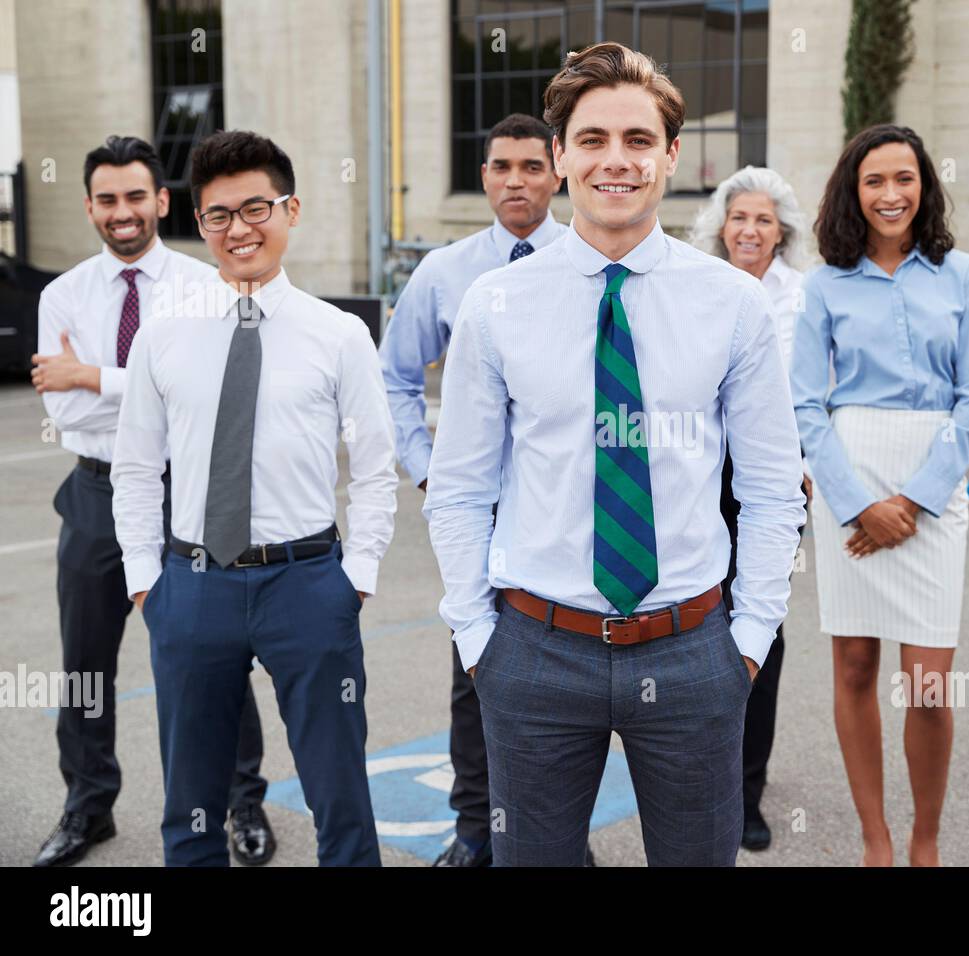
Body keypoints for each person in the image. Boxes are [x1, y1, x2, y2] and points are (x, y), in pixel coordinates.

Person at [425, 42, 806, 867]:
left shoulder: (734, 306)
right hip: (532, 651)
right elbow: (457, 489)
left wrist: (749, 639)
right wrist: (477, 640)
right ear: (560, 156)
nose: (616, 161)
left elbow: (775, 490)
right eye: (592, 139)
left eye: (638, 140)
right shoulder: (495, 306)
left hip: (694, 647)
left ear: (673, 155)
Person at [112, 130, 398, 866]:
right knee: (193, 806)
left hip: (306, 585)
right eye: (218, 215)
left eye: (256, 208)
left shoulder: (338, 335)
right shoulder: (164, 335)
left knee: (340, 798)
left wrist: (356, 577)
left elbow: (372, 466)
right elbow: (137, 466)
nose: (239, 229)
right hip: (192, 587)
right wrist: (146, 581)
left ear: (290, 210)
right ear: (200, 223)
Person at [29, 135, 275, 867]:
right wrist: (121, 383)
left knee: (215, 653)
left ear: (162, 201)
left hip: (190, 493)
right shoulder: (62, 295)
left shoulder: (205, 288)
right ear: (90, 208)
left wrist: (91, 375)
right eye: (107, 199)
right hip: (97, 491)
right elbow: (68, 414)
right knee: (85, 663)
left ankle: (243, 803)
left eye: (136, 196)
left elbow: (198, 406)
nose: (123, 212)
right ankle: (87, 806)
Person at [789, 124, 969, 867]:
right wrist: (855, 502)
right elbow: (806, 405)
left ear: (924, 187)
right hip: (851, 473)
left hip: (931, 483)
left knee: (931, 687)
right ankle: (876, 838)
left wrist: (915, 501)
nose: (890, 195)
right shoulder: (824, 283)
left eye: (904, 179)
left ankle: (925, 838)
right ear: (854, 190)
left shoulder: (960, 274)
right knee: (853, 666)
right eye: (874, 181)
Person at [377, 113, 573, 867]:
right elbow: (394, 376)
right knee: (477, 667)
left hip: (563, 504)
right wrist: (427, 469)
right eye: (500, 167)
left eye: (531, 165)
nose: (516, 181)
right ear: (485, 176)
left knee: (569, 676)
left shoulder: (589, 261)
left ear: (556, 172)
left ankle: (557, 834)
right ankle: (473, 833)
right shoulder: (445, 273)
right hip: (480, 509)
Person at [688, 164, 810, 851]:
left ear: (781, 231)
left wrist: (806, 467)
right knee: (698, 621)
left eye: (764, 219)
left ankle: (747, 792)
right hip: (702, 474)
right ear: (721, 226)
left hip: (772, 479)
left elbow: (819, 390)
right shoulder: (695, 286)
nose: (751, 230)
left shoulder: (804, 296)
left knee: (764, 625)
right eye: (740, 218)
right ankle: (698, 777)